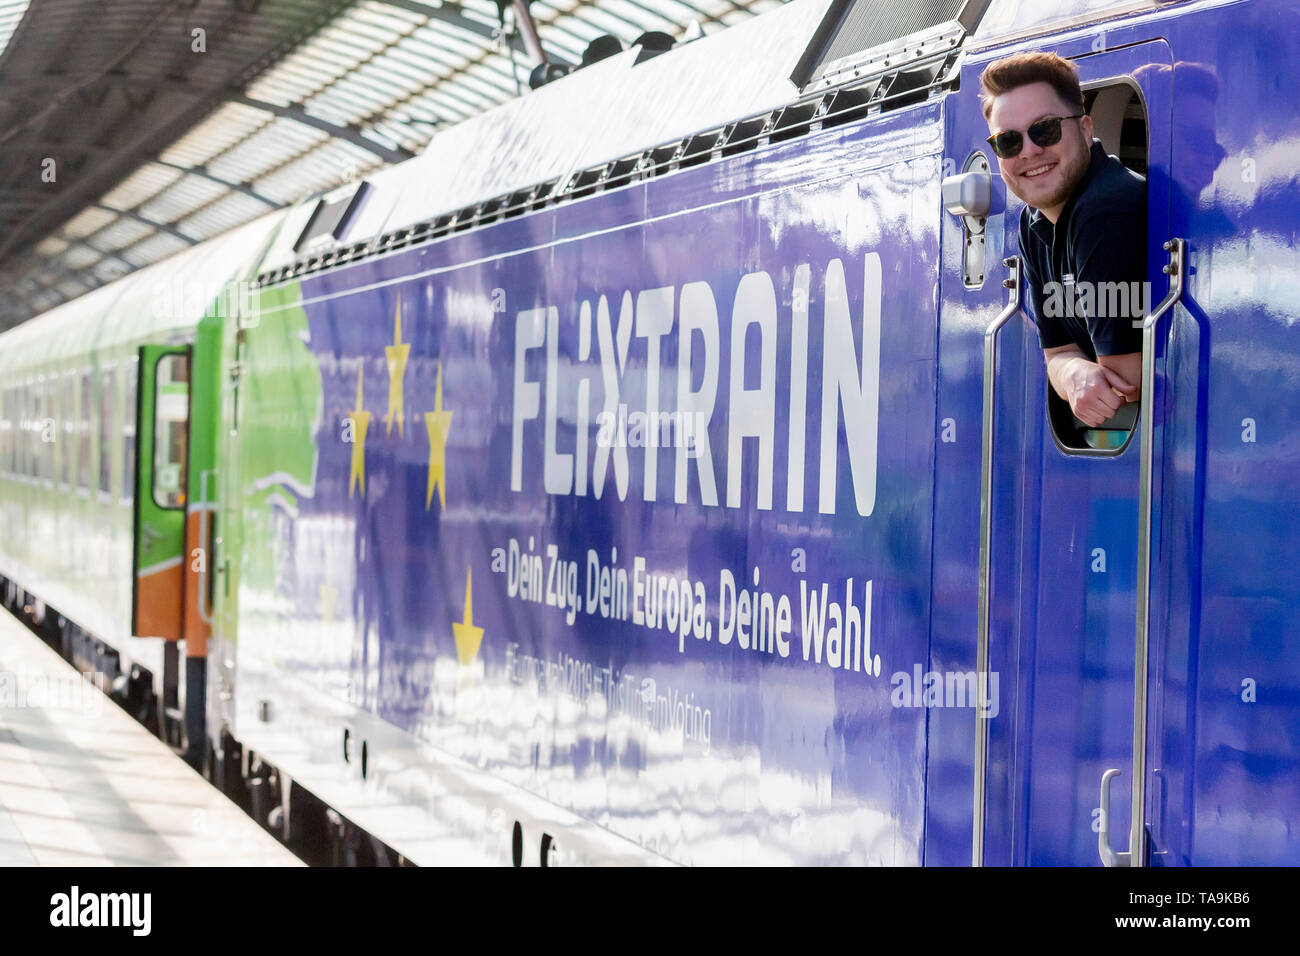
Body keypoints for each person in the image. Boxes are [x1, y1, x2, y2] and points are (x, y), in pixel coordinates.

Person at [980, 52, 1147, 432]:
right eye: (1008, 141)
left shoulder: (1105, 210)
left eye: (1046, 129)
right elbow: (1056, 353)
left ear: (1086, 129)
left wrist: (1075, 374)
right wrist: (1074, 373)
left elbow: (1126, 383)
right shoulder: (1032, 220)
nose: (1029, 150)